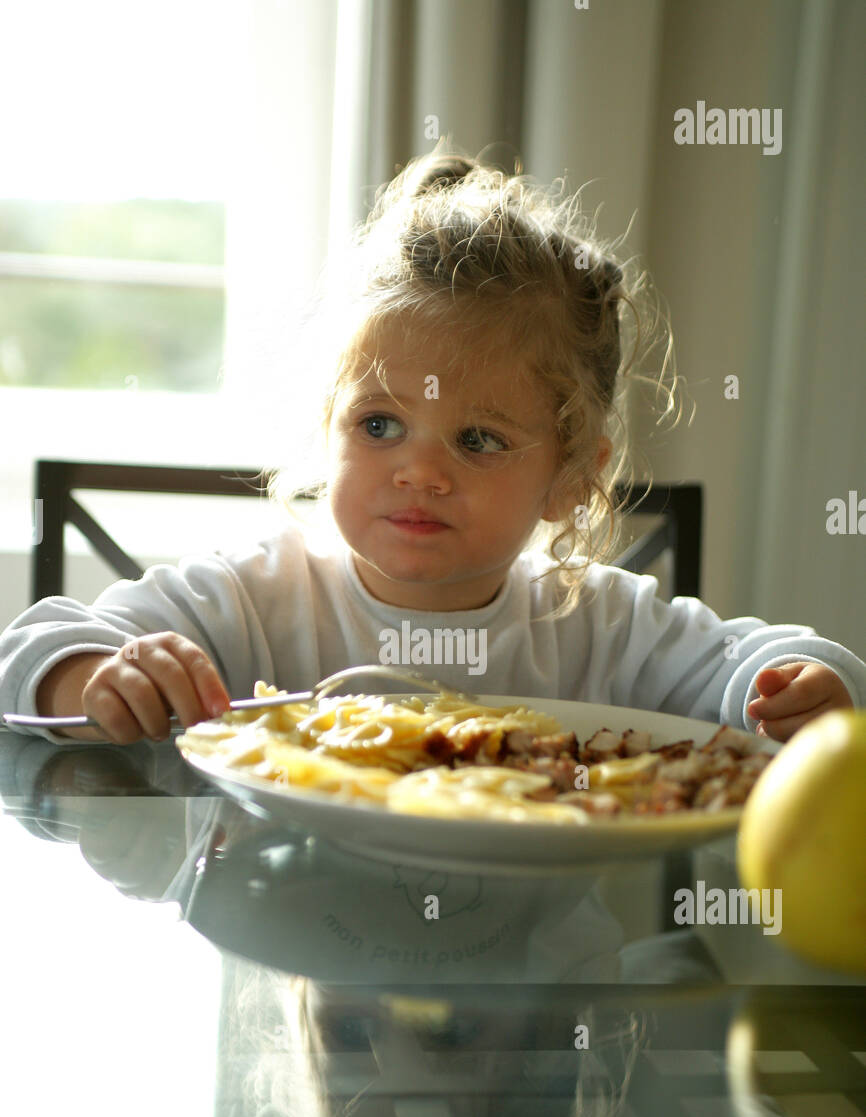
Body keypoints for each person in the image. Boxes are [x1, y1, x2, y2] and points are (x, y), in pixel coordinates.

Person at [1, 143, 863, 746]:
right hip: (295, 944)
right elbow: (25, 658)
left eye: (480, 439)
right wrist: (94, 680)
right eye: (378, 425)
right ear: (327, 426)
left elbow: (750, 664)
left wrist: (800, 685)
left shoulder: (598, 628)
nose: (418, 470)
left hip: (545, 988)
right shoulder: (251, 602)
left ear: (569, 478)